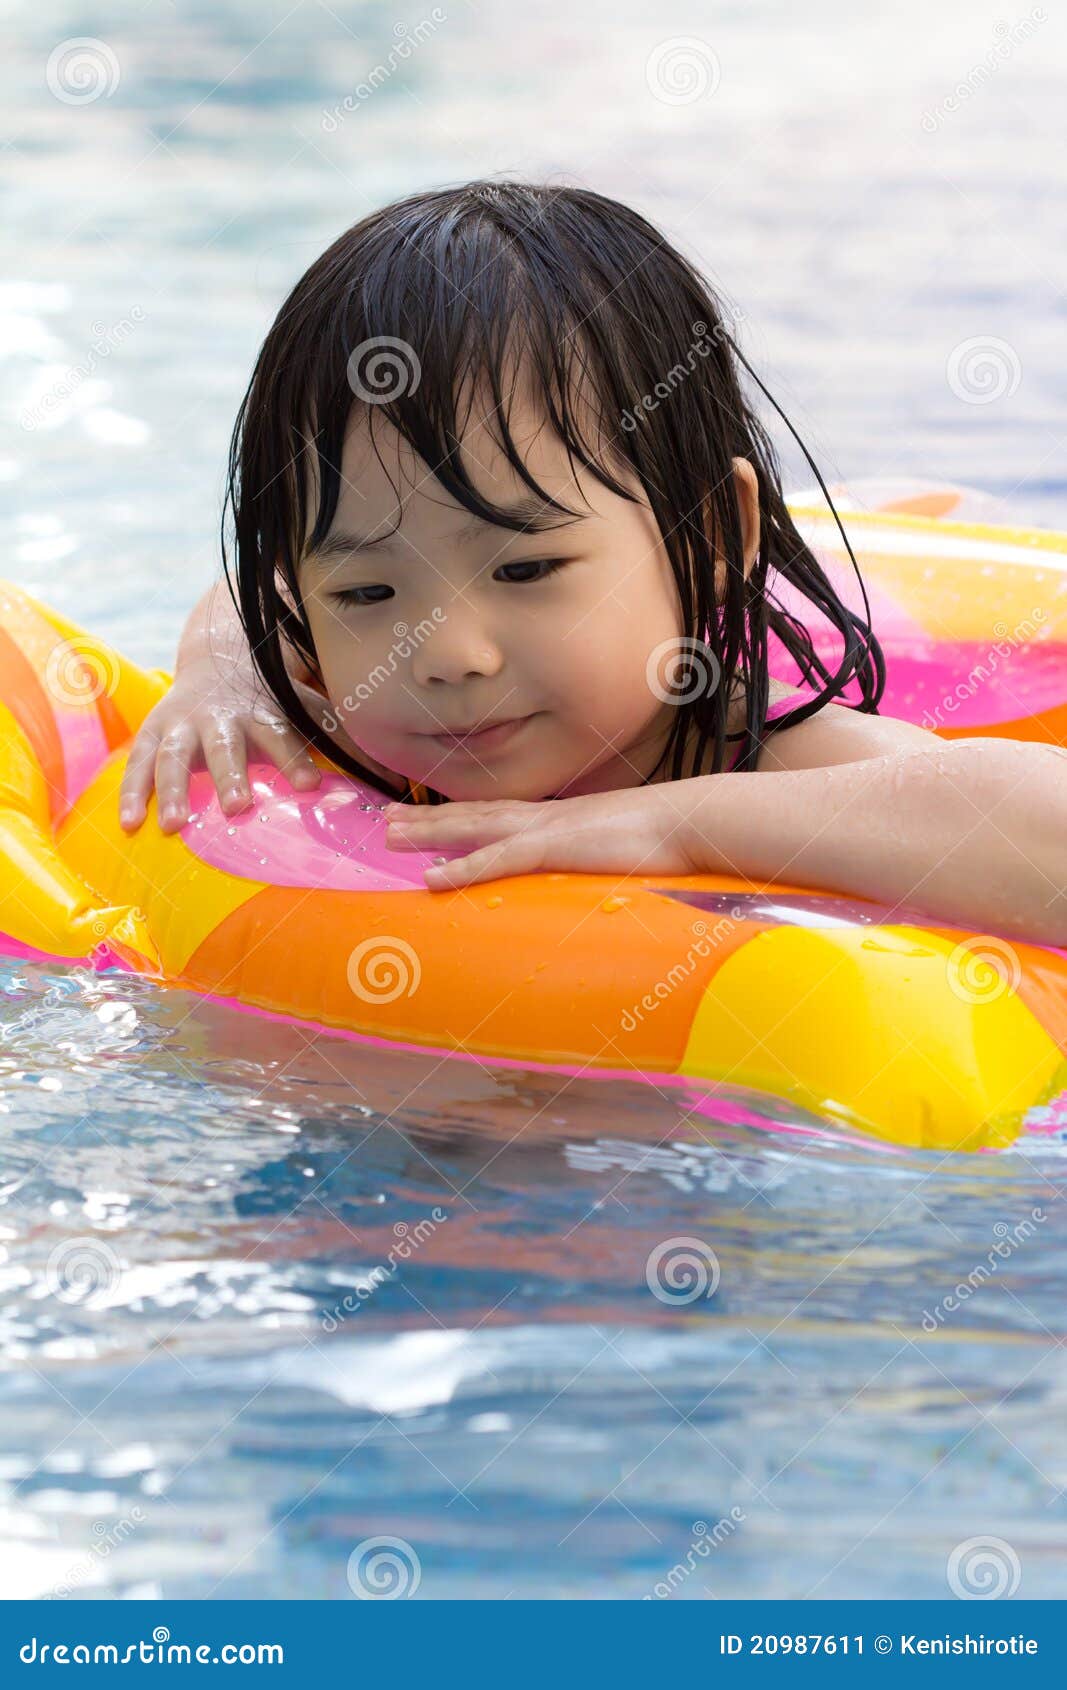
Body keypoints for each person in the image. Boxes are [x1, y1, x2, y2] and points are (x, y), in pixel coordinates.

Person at [118, 179, 1065, 940]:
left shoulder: (769, 755)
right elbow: (260, 595)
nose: (447, 654)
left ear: (708, 536)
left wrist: (673, 823)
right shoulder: (350, 692)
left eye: (523, 571)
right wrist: (222, 677)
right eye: (368, 590)